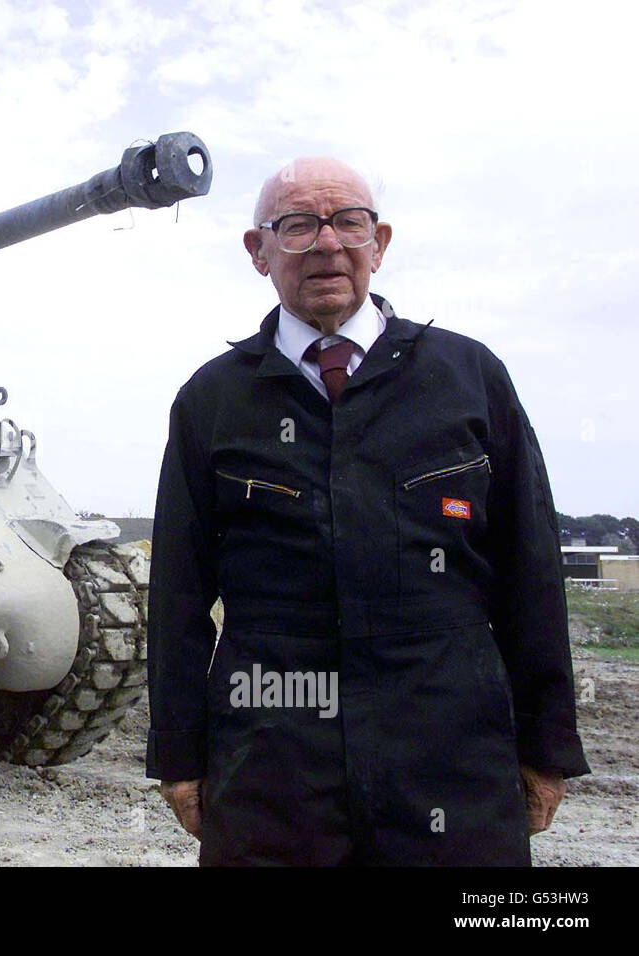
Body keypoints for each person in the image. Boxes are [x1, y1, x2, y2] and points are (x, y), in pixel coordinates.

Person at [146, 156, 589, 866]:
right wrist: (178, 755)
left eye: (348, 222)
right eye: (296, 226)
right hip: (271, 765)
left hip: (452, 759)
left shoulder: (469, 378)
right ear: (258, 253)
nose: (327, 244)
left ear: (378, 243)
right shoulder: (213, 401)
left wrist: (547, 746)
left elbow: (532, 572)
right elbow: (178, 595)